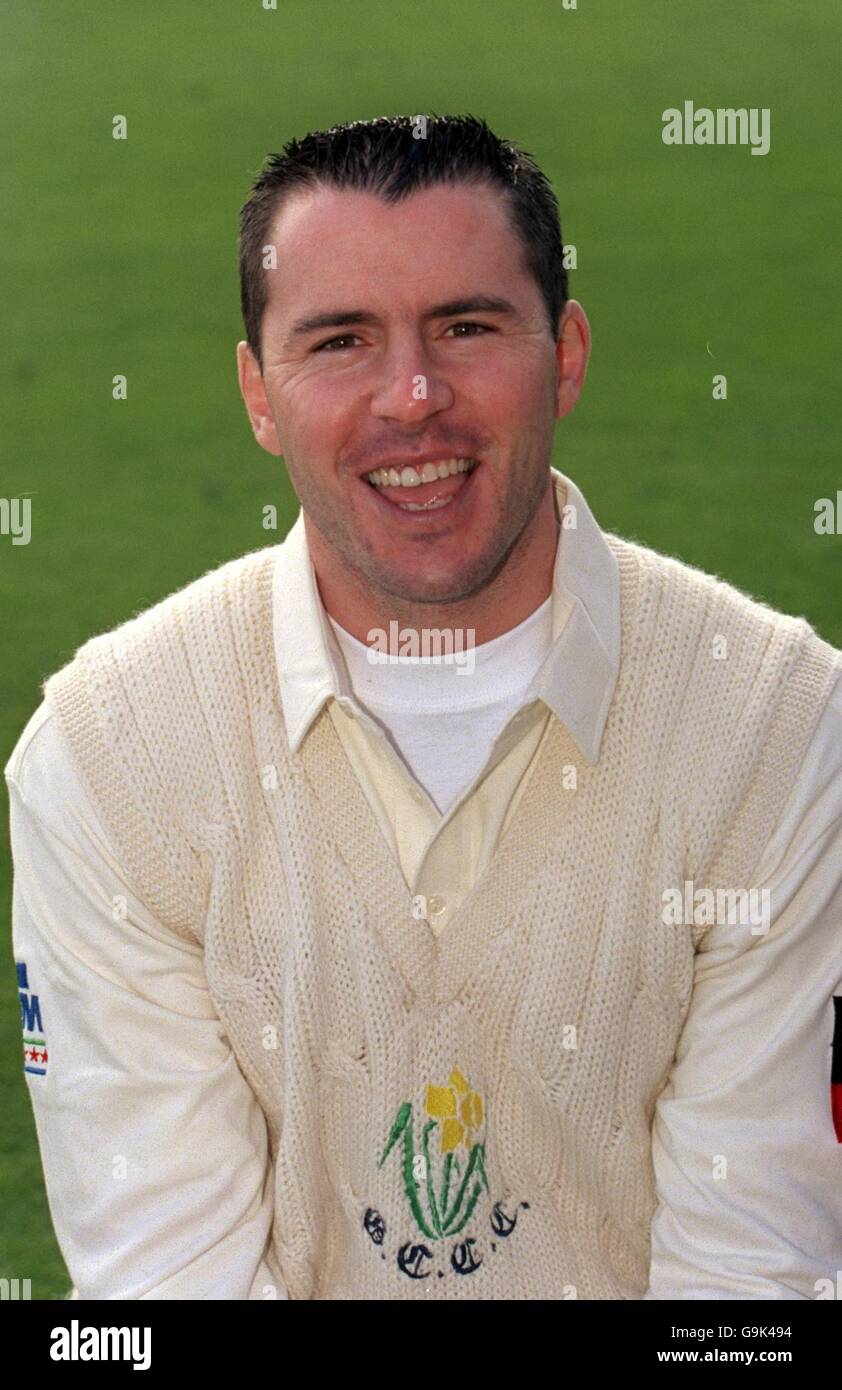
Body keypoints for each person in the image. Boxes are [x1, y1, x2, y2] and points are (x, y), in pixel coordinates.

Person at [6, 114, 842, 1301]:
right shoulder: (104, 758)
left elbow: (751, 1276)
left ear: (566, 351)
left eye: (465, 325)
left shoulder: (779, 727)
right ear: (256, 393)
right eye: (339, 340)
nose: (412, 396)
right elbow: (166, 1285)